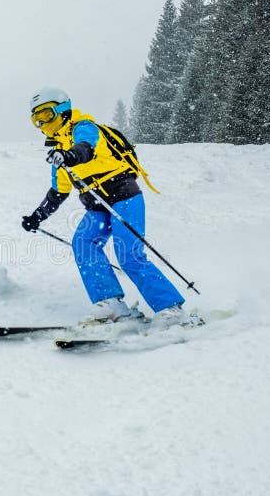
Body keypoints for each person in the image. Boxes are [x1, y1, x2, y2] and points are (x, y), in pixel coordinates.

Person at [22, 86, 189, 326]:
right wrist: (37, 216)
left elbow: (86, 148)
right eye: (36, 119)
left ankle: (171, 309)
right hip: (97, 206)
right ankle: (111, 304)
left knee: (128, 254)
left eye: (46, 115)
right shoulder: (58, 150)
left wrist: (69, 155)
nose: (42, 123)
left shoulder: (84, 127)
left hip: (124, 195)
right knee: (83, 243)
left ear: (63, 110)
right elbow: (59, 191)